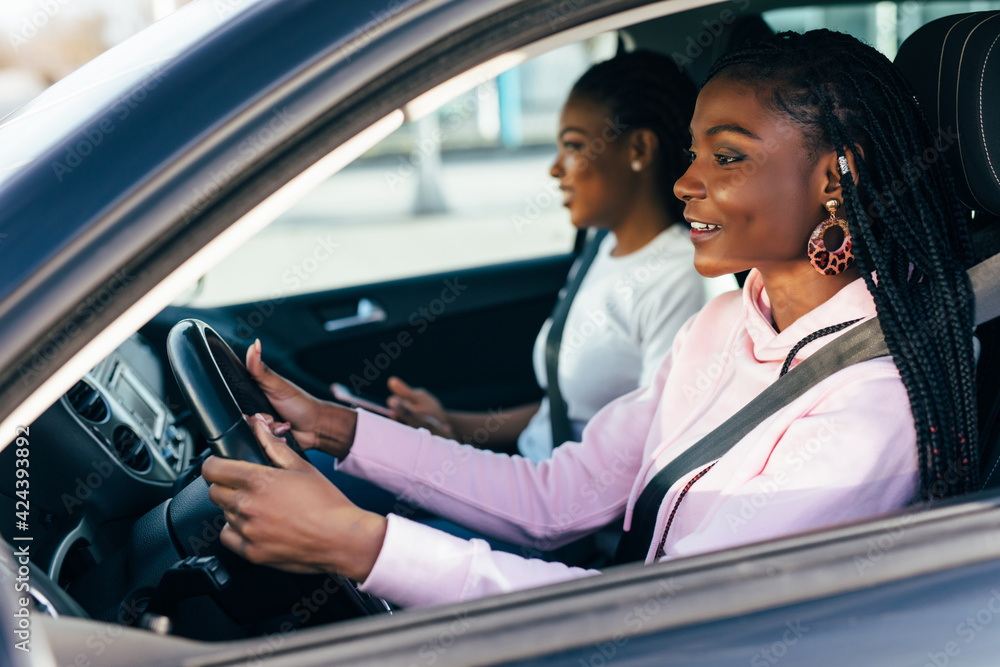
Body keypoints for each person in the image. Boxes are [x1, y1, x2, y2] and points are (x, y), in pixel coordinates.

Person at [202, 30, 979, 609]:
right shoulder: (724, 325)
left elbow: (661, 621)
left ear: (836, 178)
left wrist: (357, 542)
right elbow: (557, 498)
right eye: (692, 153)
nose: (685, 183)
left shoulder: (870, 410)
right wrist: (341, 429)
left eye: (727, 157)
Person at [373, 51, 708, 462]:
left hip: (563, 498)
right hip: (534, 475)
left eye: (573, 146)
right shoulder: (601, 247)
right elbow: (562, 413)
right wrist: (451, 426)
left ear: (639, 148)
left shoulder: (680, 278)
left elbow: (649, 457)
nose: (555, 169)